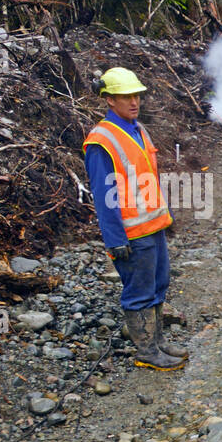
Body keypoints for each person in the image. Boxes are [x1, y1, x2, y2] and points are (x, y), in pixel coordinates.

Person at [82, 67, 188, 371]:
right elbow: (104, 196)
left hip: (152, 225)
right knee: (139, 291)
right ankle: (146, 352)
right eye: (126, 96)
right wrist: (115, 239)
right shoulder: (101, 140)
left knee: (158, 284)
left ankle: (157, 343)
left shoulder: (138, 129)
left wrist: (165, 219)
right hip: (131, 232)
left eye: (136, 95)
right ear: (109, 99)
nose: (134, 101)